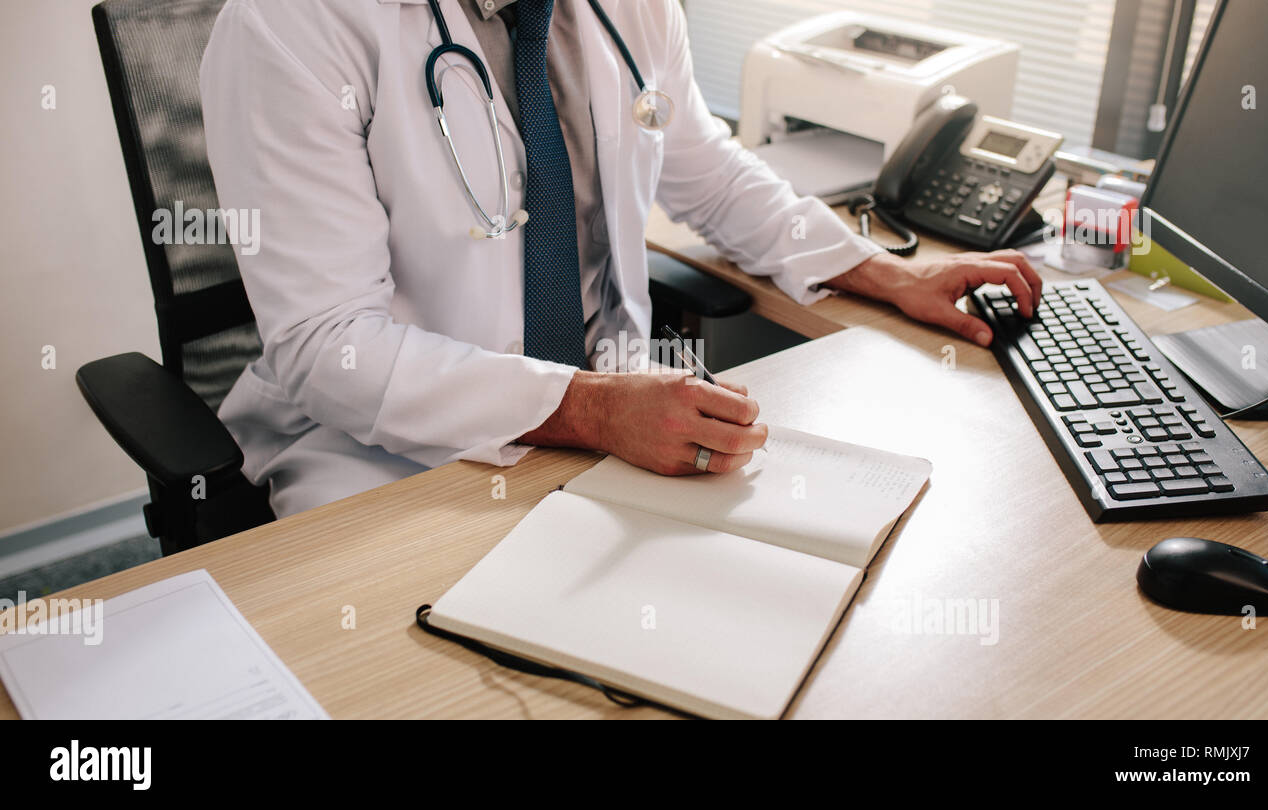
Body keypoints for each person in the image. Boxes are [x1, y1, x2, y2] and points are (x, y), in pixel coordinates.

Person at [199, 0, 1040, 517]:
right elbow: (325, 343)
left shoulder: (626, 9)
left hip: (614, 419)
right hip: (384, 454)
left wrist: (887, 272)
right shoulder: (291, 22)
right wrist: (592, 410)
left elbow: (708, 174)